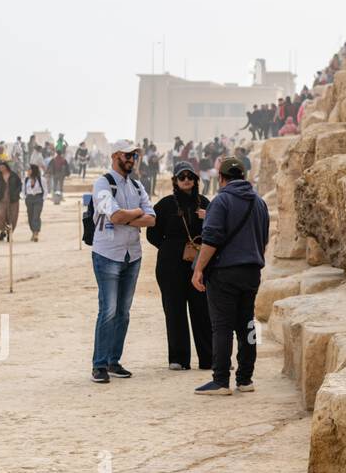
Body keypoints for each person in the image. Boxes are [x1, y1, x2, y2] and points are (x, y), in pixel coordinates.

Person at [191, 156, 269, 396]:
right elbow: (263, 237)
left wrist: (199, 269)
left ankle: (220, 379)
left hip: (225, 272)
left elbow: (211, 239)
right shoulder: (260, 202)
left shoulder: (221, 201)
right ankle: (246, 379)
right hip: (251, 270)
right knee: (248, 324)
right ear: (243, 176)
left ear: (222, 178)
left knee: (222, 326)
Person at [88, 142, 155, 383]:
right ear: (115, 156)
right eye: (127, 155)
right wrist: (137, 213)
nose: (131, 159)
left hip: (132, 255)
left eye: (134, 155)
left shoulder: (136, 185)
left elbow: (152, 219)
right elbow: (113, 215)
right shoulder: (103, 183)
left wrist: (129, 217)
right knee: (108, 310)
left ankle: (114, 361)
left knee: (123, 313)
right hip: (108, 254)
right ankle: (99, 365)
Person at [146, 161, 213, 372]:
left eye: (190, 176)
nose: (186, 180)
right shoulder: (165, 205)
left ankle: (208, 358)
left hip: (198, 265)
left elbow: (217, 231)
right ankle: (179, 359)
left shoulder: (205, 204)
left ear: (196, 180)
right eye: (182, 177)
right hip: (171, 266)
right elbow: (152, 234)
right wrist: (171, 248)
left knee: (202, 310)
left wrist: (208, 217)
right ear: (175, 180)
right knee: (174, 310)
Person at [0, 160, 22, 241]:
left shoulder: (14, 176)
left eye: (3, 167)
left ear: (6, 167)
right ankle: (2, 231)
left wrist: (16, 193)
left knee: (12, 218)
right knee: (0, 217)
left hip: (13, 201)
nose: (1, 169)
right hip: (2, 200)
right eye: (0, 168)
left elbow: (20, 185)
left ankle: (9, 234)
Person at [23, 164, 45, 242]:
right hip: (29, 199)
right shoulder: (26, 180)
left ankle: (36, 233)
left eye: (29, 170)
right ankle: (33, 231)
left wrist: (43, 199)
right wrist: (25, 198)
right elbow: (24, 190)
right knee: (30, 217)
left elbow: (45, 190)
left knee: (36, 216)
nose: (28, 172)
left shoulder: (41, 179)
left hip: (38, 198)